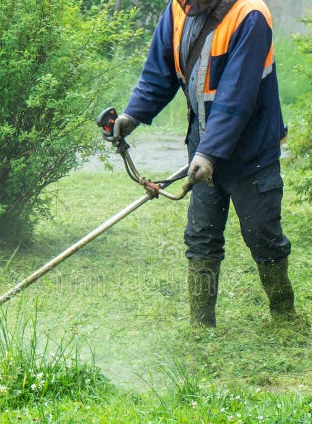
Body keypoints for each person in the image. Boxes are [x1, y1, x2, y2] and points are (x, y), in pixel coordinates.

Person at [104, 0, 295, 327]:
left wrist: (209, 154)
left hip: (251, 154)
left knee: (262, 236)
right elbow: (158, 72)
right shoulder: (178, 9)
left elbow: (237, 96)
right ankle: (201, 325)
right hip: (203, 148)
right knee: (201, 237)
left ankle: (284, 315)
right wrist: (132, 115)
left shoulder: (251, 15)